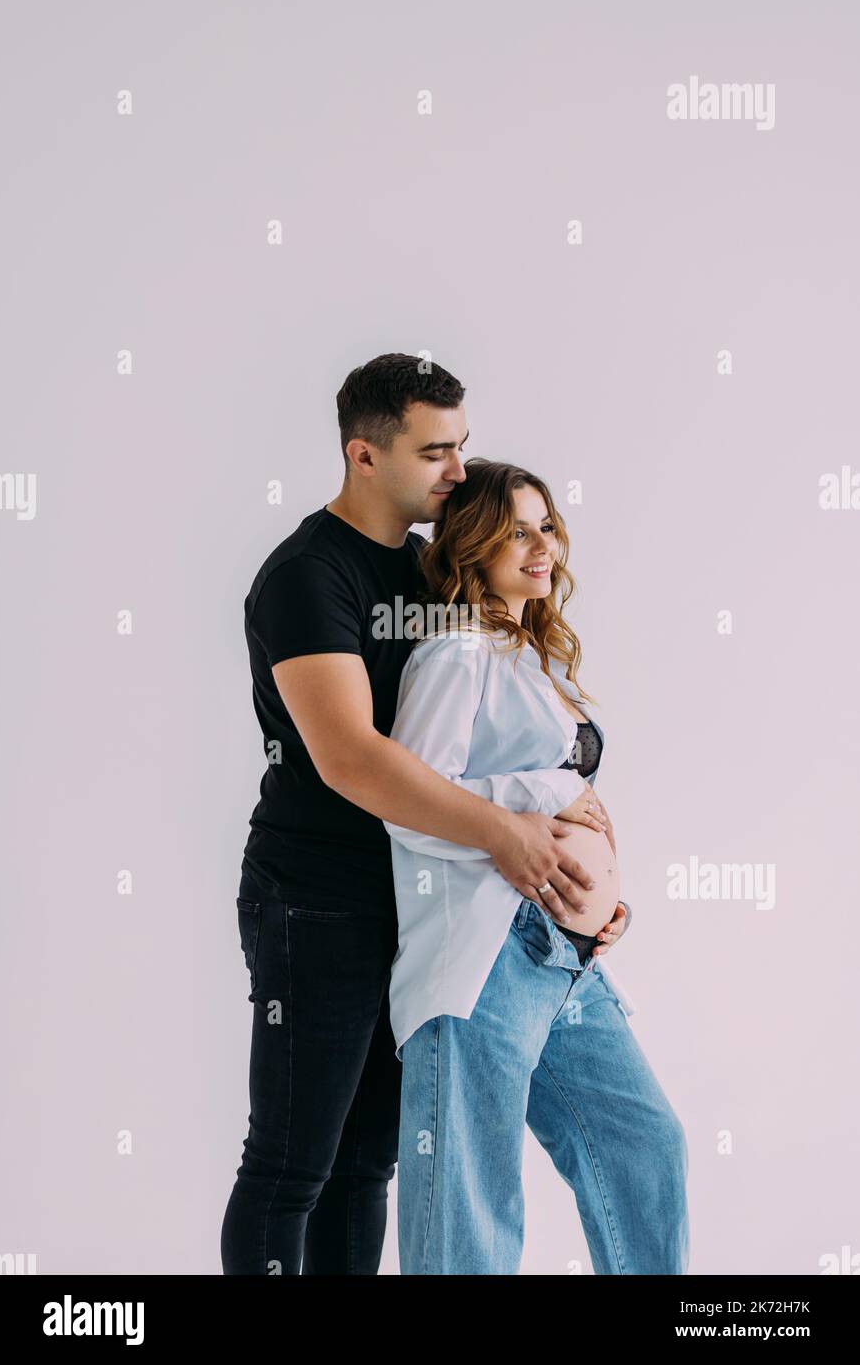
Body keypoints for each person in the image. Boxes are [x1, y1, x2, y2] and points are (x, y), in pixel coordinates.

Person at [220, 354, 608, 1275]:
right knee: (290, 1165)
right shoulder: (307, 576)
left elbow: (508, 741)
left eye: (462, 446)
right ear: (364, 455)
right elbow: (351, 759)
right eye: (436, 452)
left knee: (367, 1165)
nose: (459, 473)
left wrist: (582, 885)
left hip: (420, 902)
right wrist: (506, 834)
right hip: (313, 899)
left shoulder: (436, 572)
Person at [384, 457, 690, 1275]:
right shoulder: (454, 654)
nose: (538, 544)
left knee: (643, 1147)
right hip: (486, 960)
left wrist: (598, 902)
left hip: (566, 961)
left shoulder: (528, 658)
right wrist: (543, 789)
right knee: (470, 1209)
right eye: (514, 529)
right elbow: (410, 799)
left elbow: (559, 812)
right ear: (472, 543)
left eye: (545, 525)